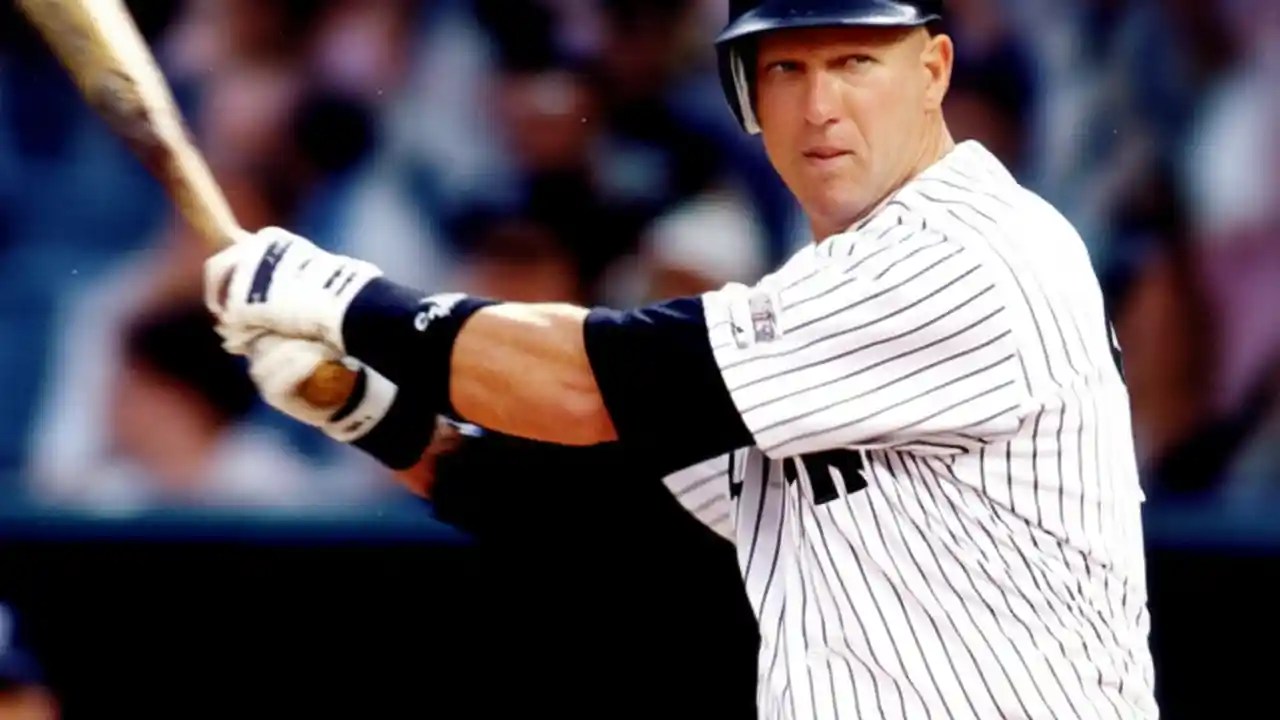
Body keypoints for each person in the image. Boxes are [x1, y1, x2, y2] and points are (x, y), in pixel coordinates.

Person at [204, 1, 1159, 717]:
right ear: (745, 91)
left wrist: (342, 300)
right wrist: (374, 415)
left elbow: (592, 382)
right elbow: (605, 517)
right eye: (786, 68)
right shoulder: (832, 299)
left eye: (856, 60)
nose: (821, 105)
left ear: (934, 69)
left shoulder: (968, 253)